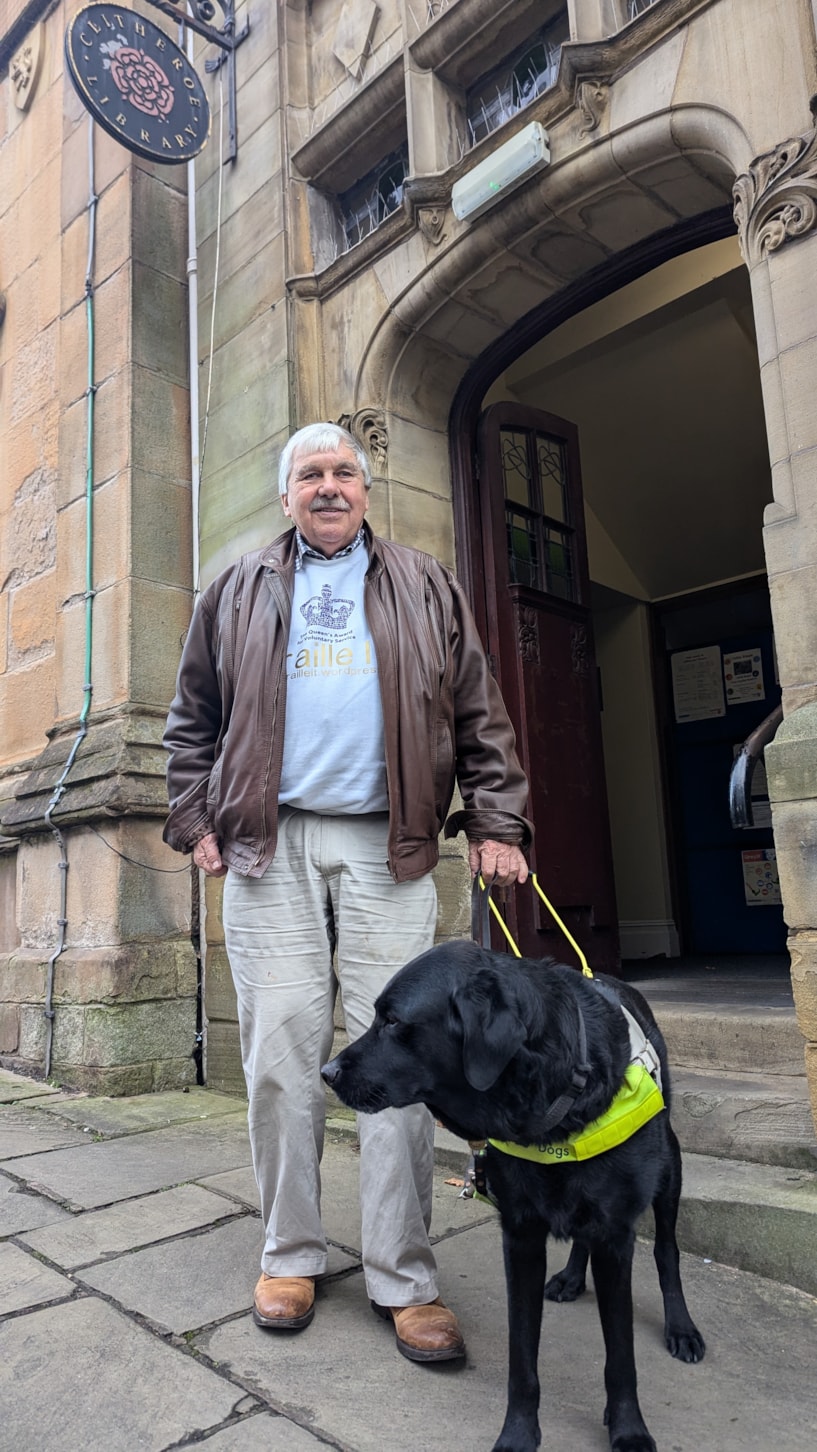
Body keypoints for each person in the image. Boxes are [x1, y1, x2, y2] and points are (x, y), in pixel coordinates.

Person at [163, 422, 531, 1363]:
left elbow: (477, 712)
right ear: (284, 496)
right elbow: (192, 719)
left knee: (405, 1062)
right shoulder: (234, 589)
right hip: (267, 844)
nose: (327, 487)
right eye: (309, 475)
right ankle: (289, 1252)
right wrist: (194, 817)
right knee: (282, 1055)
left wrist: (497, 821)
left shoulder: (424, 583)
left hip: (390, 847)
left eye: (342, 473)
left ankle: (403, 1275)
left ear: (365, 492)